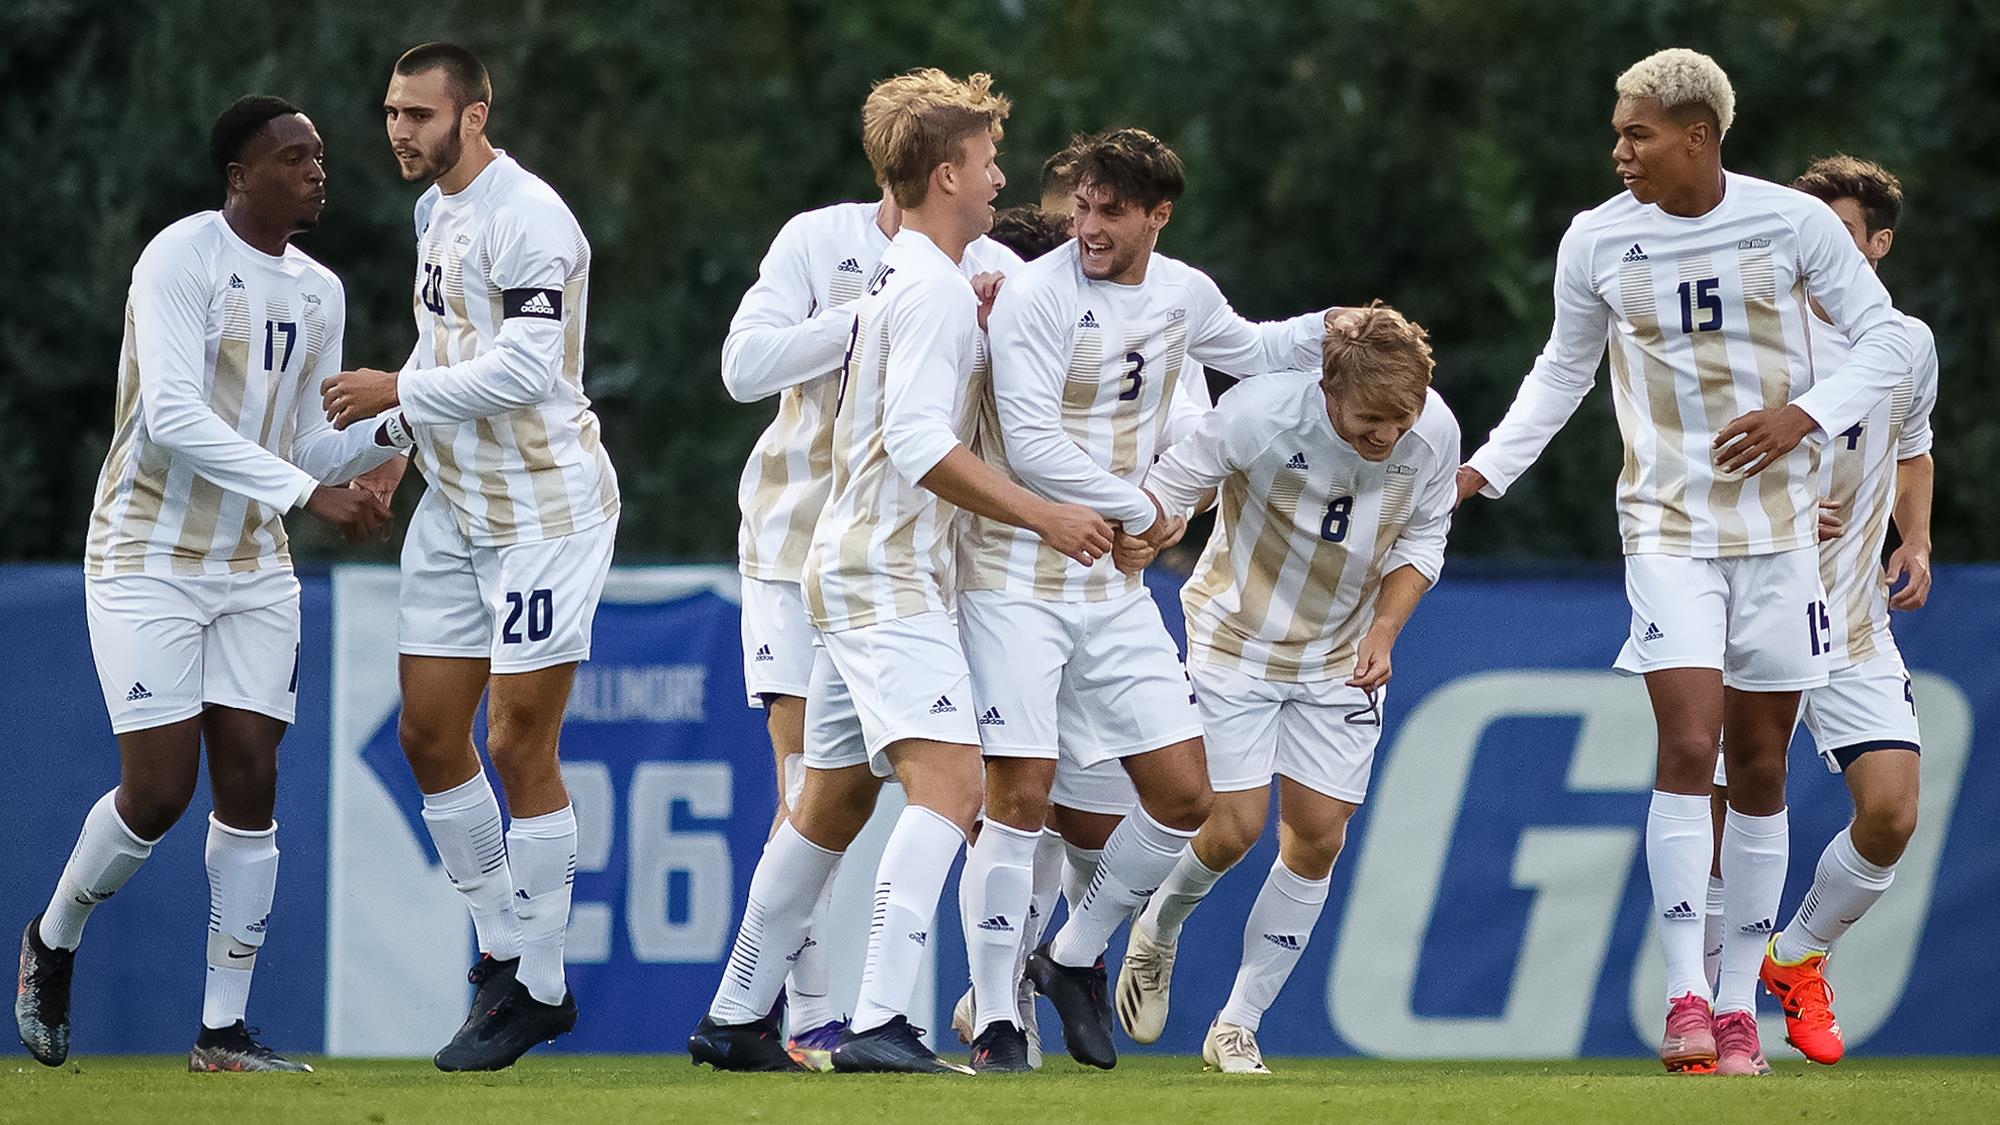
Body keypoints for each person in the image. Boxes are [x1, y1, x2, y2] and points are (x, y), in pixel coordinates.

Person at [1454, 48, 1912, 1075]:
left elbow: (1884, 343)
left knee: (1757, 768)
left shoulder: (1787, 223)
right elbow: (1561, 370)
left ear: (1695, 136)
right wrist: (1479, 473)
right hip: (1664, 529)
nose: (1617, 151)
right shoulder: (1596, 239)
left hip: (1782, 537)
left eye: (1636, 134)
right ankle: (1684, 996)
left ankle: (1742, 1005)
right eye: (1617, 133)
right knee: (1687, 745)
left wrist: (1804, 416)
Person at [688, 67, 1109, 1075]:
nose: (1001, 174)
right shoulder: (922, 289)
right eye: (989, 160)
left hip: (844, 561)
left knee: (829, 802)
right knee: (951, 784)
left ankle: (738, 1012)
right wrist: (1043, 513)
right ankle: (880, 1018)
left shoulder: (910, 275)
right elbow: (922, 446)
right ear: (948, 173)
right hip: (888, 573)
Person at [15, 95, 398, 1074]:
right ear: (241, 176)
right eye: (294, 156)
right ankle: (53, 939)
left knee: (252, 778)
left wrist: (399, 426)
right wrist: (313, 491)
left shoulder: (320, 289)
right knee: (157, 790)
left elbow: (306, 434)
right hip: (147, 553)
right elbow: (172, 418)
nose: (317, 169)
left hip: (253, 566)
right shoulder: (179, 259)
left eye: (319, 155)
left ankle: (222, 1034)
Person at [965, 126, 1343, 1071]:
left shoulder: (1182, 292)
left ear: (1156, 215)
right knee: (1018, 796)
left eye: (1110, 211)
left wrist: (1332, 325)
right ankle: (1000, 1022)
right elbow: (1032, 443)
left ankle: (1073, 955)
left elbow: (1252, 348)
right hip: (1017, 576)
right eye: (1080, 207)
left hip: (1110, 581)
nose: (1087, 227)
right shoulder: (1037, 295)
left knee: (1184, 794)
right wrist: (1147, 504)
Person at [322, 42, 621, 1071]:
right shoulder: (430, 214)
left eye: (419, 113)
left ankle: (539, 986)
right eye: (392, 112)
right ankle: (501, 946)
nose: (400, 130)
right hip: (455, 507)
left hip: (545, 510)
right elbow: (444, 354)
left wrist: (393, 396)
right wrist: (400, 453)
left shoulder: (530, 219)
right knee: (425, 734)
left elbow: (527, 371)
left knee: (518, 744)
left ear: (474, 116)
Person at [1118, 302, 1456, 1073]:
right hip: (1237, 638)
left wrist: (1384, 632)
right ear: (1329, 389)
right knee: (1233, 827)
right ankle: (1159, 926)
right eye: (1371, 418)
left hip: (1340, 654)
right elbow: (1175, 483)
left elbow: (1427, 534)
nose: (1388, 435)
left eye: (1400, 418)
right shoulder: (1262, 412)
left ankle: (1237, 1023)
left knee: (1319, 836)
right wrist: (1158, 523)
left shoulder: (1430, 428)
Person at [1706, 154, 1936, 1069]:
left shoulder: (1904, 343)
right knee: (1723, 812)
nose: (1817, 253)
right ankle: (1714, 1011)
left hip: (1850, 622)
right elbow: (1696, 463)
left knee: (1891, 815)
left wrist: (1912, 540)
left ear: (1878, 245)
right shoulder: (1749, 334)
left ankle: (1796, 955)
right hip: (1754, 609)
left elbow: (1914, 448)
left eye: (1841, 235)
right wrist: (1784, 502)